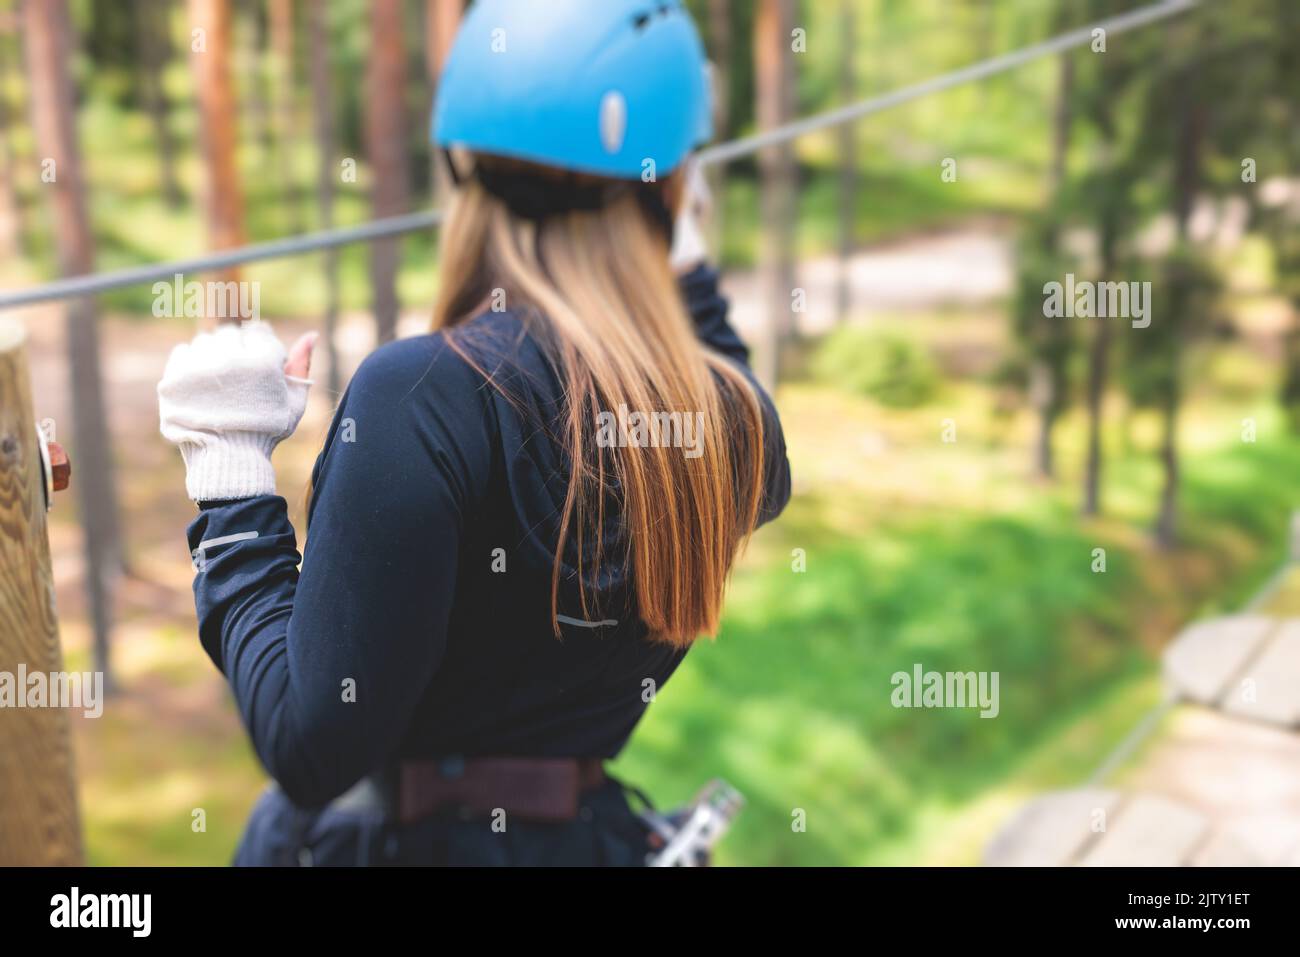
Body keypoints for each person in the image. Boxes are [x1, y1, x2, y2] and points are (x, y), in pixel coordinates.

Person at [157, 0, 790, 866]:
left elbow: (312, 746)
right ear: (678, 188)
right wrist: (679, 259)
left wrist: (230, 481)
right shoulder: (732, 432)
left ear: (463, 167)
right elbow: (722, 372)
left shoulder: (424, 396)